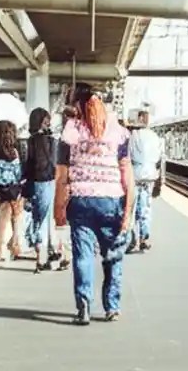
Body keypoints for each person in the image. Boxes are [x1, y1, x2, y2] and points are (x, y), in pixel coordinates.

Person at [54, 83, 134, 325]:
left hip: (80, 201)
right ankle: (112, 306)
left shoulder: (70, 131)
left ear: (77, 105)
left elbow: (62, 175)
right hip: (111, 201)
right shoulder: (119, 132)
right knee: (112, 255)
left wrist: (59, 208)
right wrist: (128, 212)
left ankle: (84, 306)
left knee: (83, 255)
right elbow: (127, 175)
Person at [22, 108, 61, 272]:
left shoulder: (30, 142)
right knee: (45, 219)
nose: (48, 124)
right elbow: (53, 163)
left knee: (40, 219)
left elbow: (28, 165)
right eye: (46, 121)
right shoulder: (49, 141)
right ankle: (46, 256)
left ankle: (45, 254)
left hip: (37, 182)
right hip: (48, 181)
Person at [126, 111, 163, 253]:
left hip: (134, 176)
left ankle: (131, 239)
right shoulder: (155, 136)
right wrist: (160, 181)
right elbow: (160, 159)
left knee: (131, 208)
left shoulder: (132, 136)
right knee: (146, 208)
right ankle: (144, 239)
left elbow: (127, 157)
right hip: (150, 176)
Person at [0, 120, 24, 262]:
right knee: (16, 216)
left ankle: (0, 249)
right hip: (15, 187)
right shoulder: (15, 150)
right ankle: (14, 244)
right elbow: (18, 171)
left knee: (4, 215)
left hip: (1, 187)